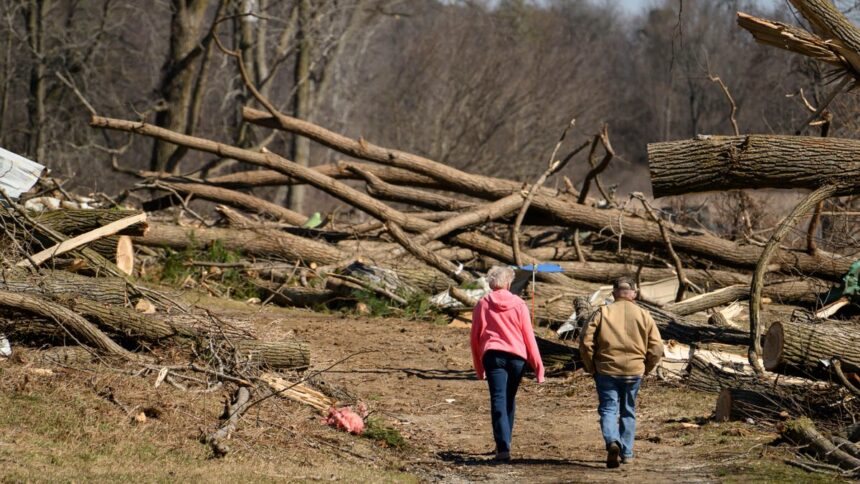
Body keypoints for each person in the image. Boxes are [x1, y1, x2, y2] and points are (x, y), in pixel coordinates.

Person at [579, 276, 663, 469]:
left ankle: (612, 441)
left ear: (614, 293)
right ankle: (627, 453)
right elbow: (657, 347)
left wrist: (591, 366)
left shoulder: (602, 312)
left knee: (609, 409)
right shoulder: (644, 314)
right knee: (628, 411)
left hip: (606, 370)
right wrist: (647, 367)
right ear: (634, 294)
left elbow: (585, 341)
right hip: (634, 371)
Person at [470, 265, 545, 462]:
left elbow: (475, 338)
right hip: (517, 358)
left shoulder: (482, 304)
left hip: (493, 356)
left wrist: (479, 369)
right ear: (509, 283)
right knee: (509, 399)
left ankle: (503, 446)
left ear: (490, 283)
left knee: (499, 399)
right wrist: (538, 367)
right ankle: (505, 443)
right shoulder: (519, 304)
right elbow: (529, 337)